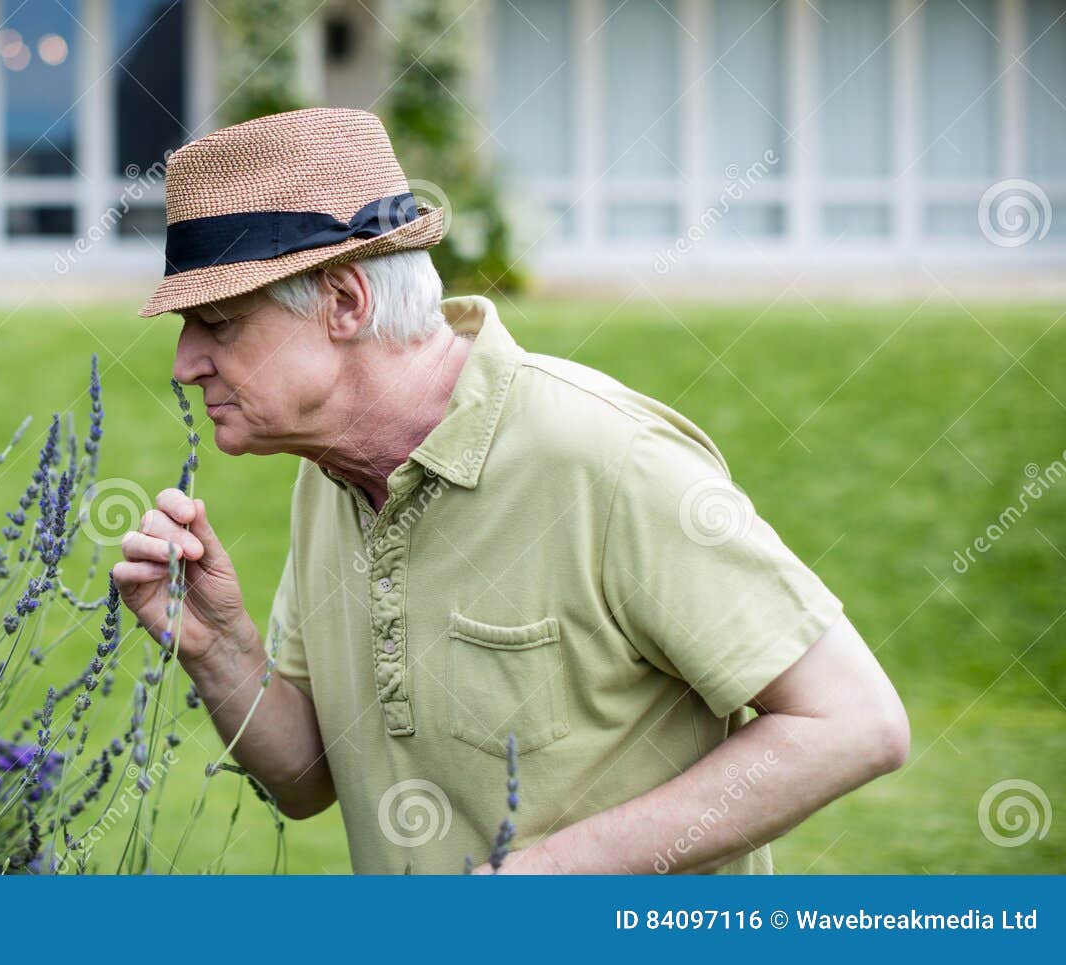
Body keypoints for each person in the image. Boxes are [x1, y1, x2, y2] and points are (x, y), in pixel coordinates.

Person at [111, 106, 909, 874]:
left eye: (219, 323)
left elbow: (854, 722)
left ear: (345, 302)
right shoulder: (329, 474)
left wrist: (556, 875)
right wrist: (220, 648)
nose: (185, 364)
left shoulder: (604, 455)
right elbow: (307, 778)